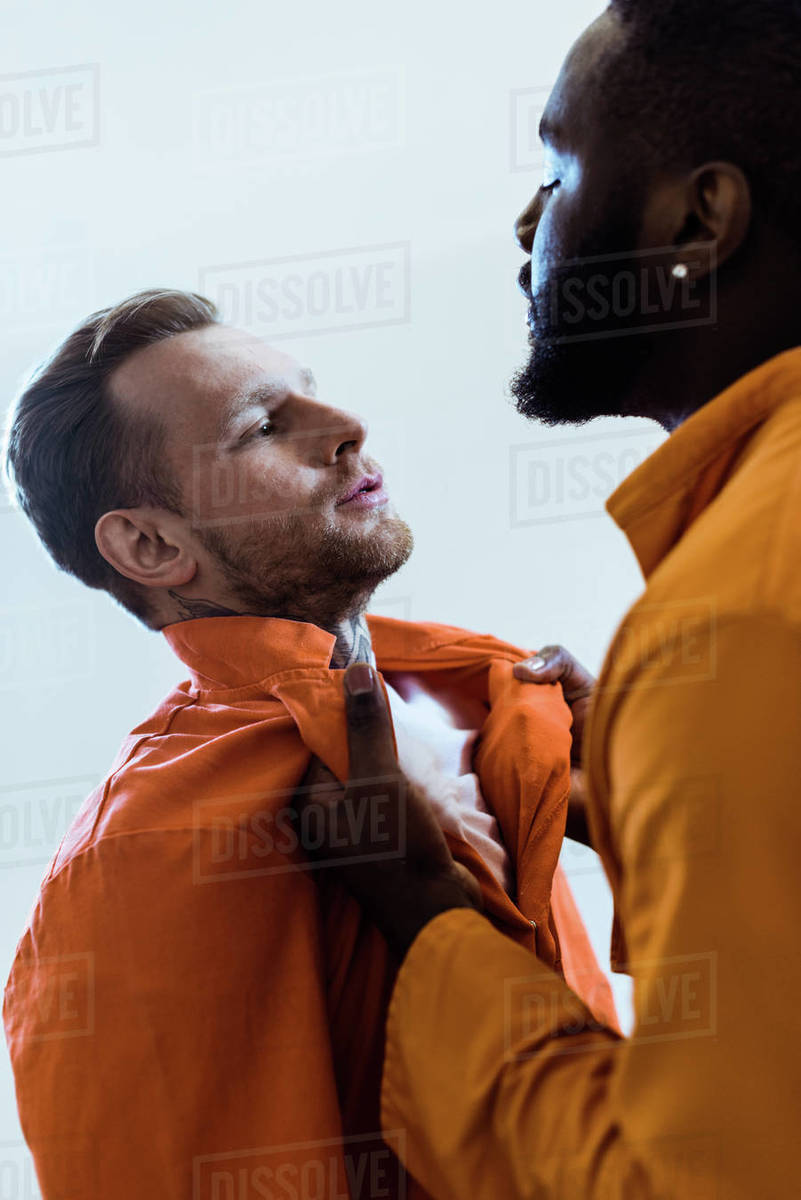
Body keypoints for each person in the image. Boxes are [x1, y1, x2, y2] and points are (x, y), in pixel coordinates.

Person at [293, 2, 801, 1197]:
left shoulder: (735, 620)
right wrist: (634, 799)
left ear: (701, 218)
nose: (530, 222)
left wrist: (423, 916)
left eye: (558, 165)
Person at [1, 289, 615, 1199]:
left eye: (314, 395)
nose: (346, 426)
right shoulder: (148, 852)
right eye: (261, 427)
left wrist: (637, 786)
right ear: (149, 543)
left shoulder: (484, 710)